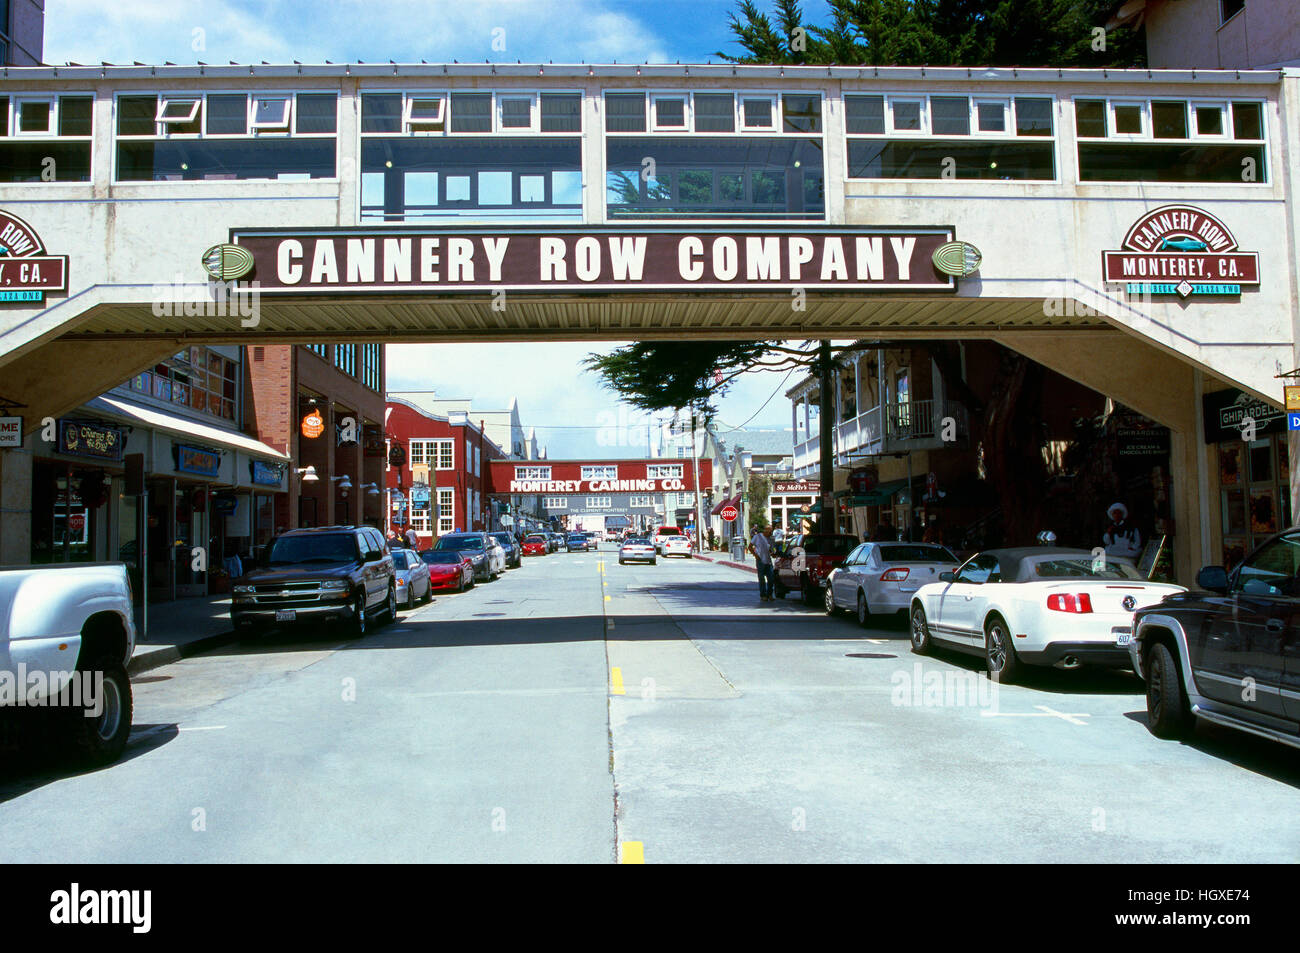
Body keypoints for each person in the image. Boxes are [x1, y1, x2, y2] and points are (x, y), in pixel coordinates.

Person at [747, 522, 775, 602]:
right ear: (766, 530)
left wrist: (773, 553)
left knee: (771, 579)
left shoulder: (771, 539)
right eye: (770, 531)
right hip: (760, 561)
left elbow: (771, 550)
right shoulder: (757, 537)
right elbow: (750, 546)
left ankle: (769, 594)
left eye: (771, 531)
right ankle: (763, 595)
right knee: (762, 579)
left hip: (768, 561)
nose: (771, 533)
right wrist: (755, 555)